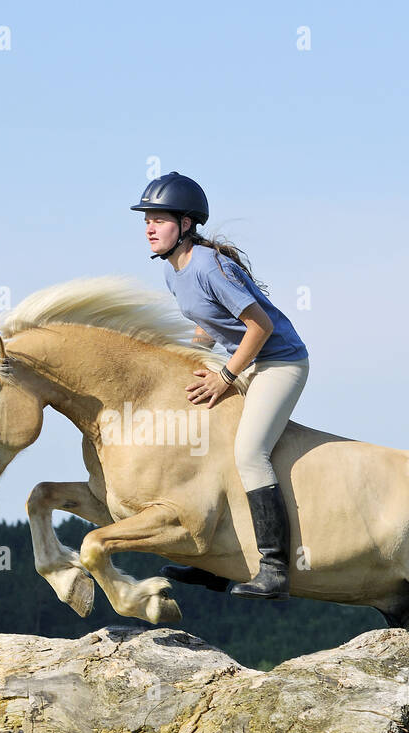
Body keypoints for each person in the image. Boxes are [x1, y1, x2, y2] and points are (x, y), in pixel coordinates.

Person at [130, 171, 309, 600]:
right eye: (146, 220)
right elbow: (207, 327)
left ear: (186, 225)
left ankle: (274, 569)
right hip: (244, 361)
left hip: (278, 363)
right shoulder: (174, 272)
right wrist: (183, 363)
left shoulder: (209, 265)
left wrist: (225, 376)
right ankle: (214, 562)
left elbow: (260, 326)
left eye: (159, 219)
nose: (150, 228)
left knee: (249, 453)